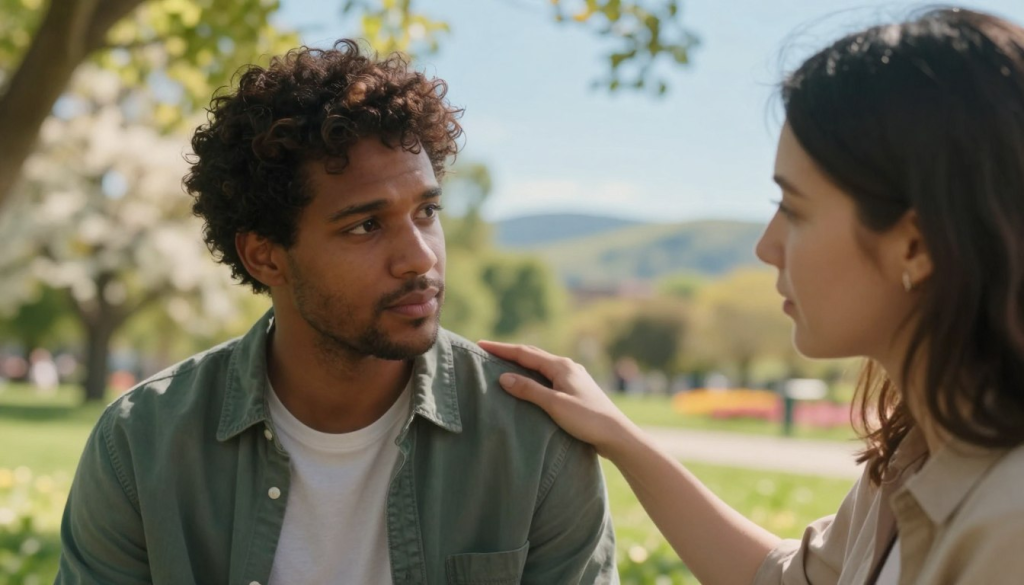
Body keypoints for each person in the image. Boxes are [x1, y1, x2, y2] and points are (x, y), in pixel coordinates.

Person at [481, 8, 1024, 585]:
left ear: (915, 245)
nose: (767, 246)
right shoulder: (917, 453)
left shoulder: (1008, 524)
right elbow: (781, 577)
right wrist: (620, 436)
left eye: (794, 209)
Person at [56, 41, 617, 585]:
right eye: (365, 226)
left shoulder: (531, 439)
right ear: (265, 256)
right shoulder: (141, 443)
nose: (420, 258)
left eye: (426, 212)